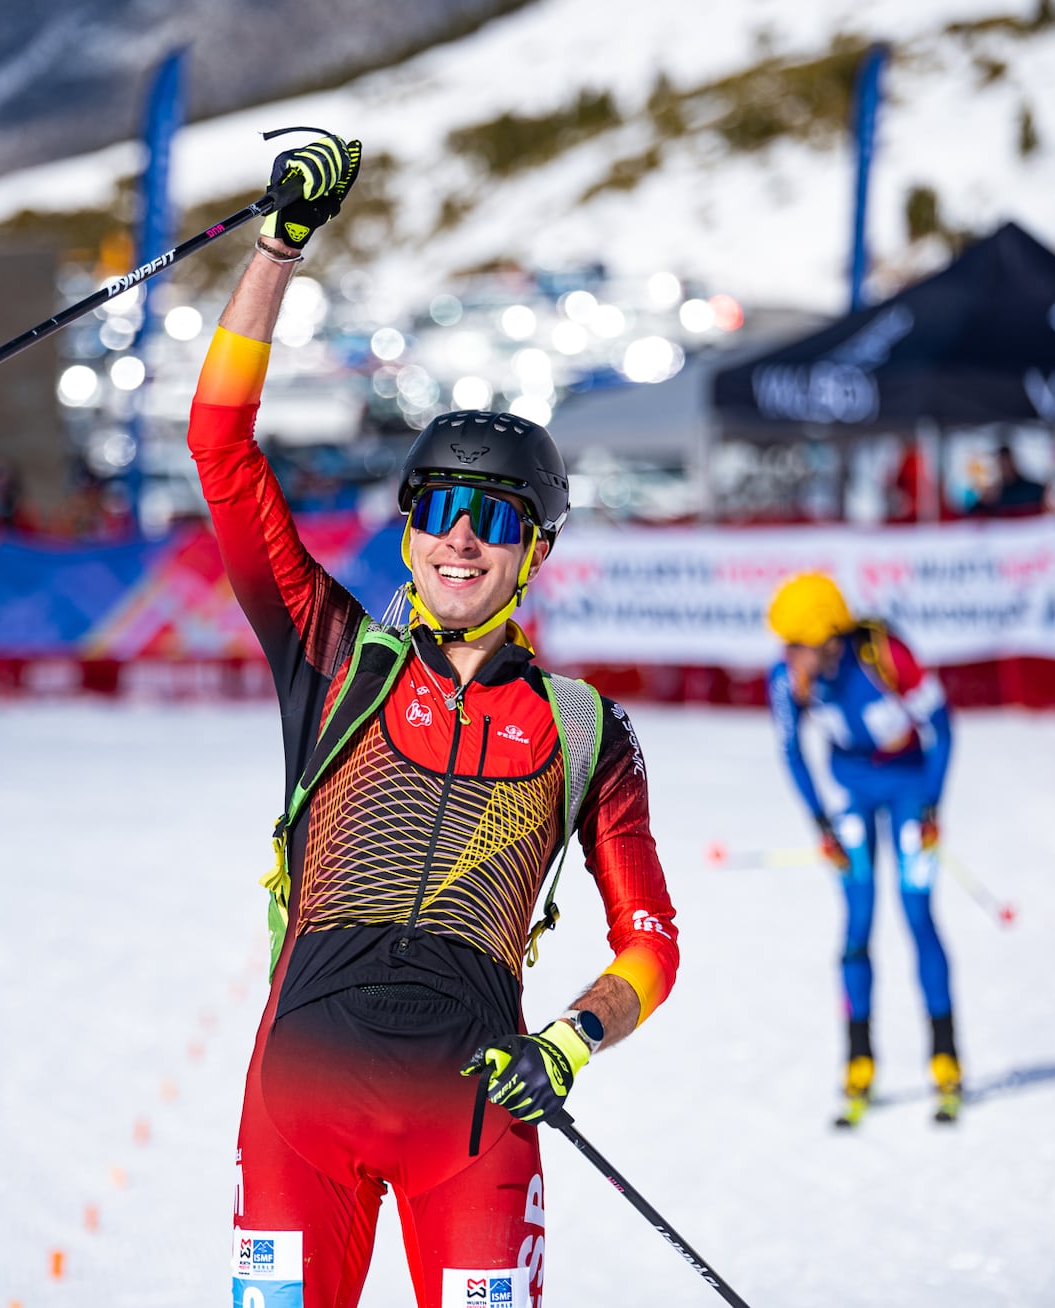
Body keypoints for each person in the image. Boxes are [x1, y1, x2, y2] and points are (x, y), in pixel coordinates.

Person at [190, 134, 678, 1308]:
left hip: (473, 1121)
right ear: (410, 528)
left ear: (536, 551)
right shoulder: (331, 655)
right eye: (444, 507)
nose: (465, 537)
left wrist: (568, 1041)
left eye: (496, 519)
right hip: (300, 1101)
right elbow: (218, 445)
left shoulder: (583, 733)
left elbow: (650, 947)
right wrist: (277, 248)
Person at [766, 572, 960, 1127]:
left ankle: (945, 1058)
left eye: (797, 644)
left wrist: (931, 807)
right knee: (857, 922)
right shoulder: (787, 677)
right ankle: (859, 1063)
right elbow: (792, 753)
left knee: (918, 914)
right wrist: (820, 823)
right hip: (850, 790)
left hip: (909, 788)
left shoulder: (885, 655)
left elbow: (944, 728)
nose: (787, 656)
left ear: (828, 639)